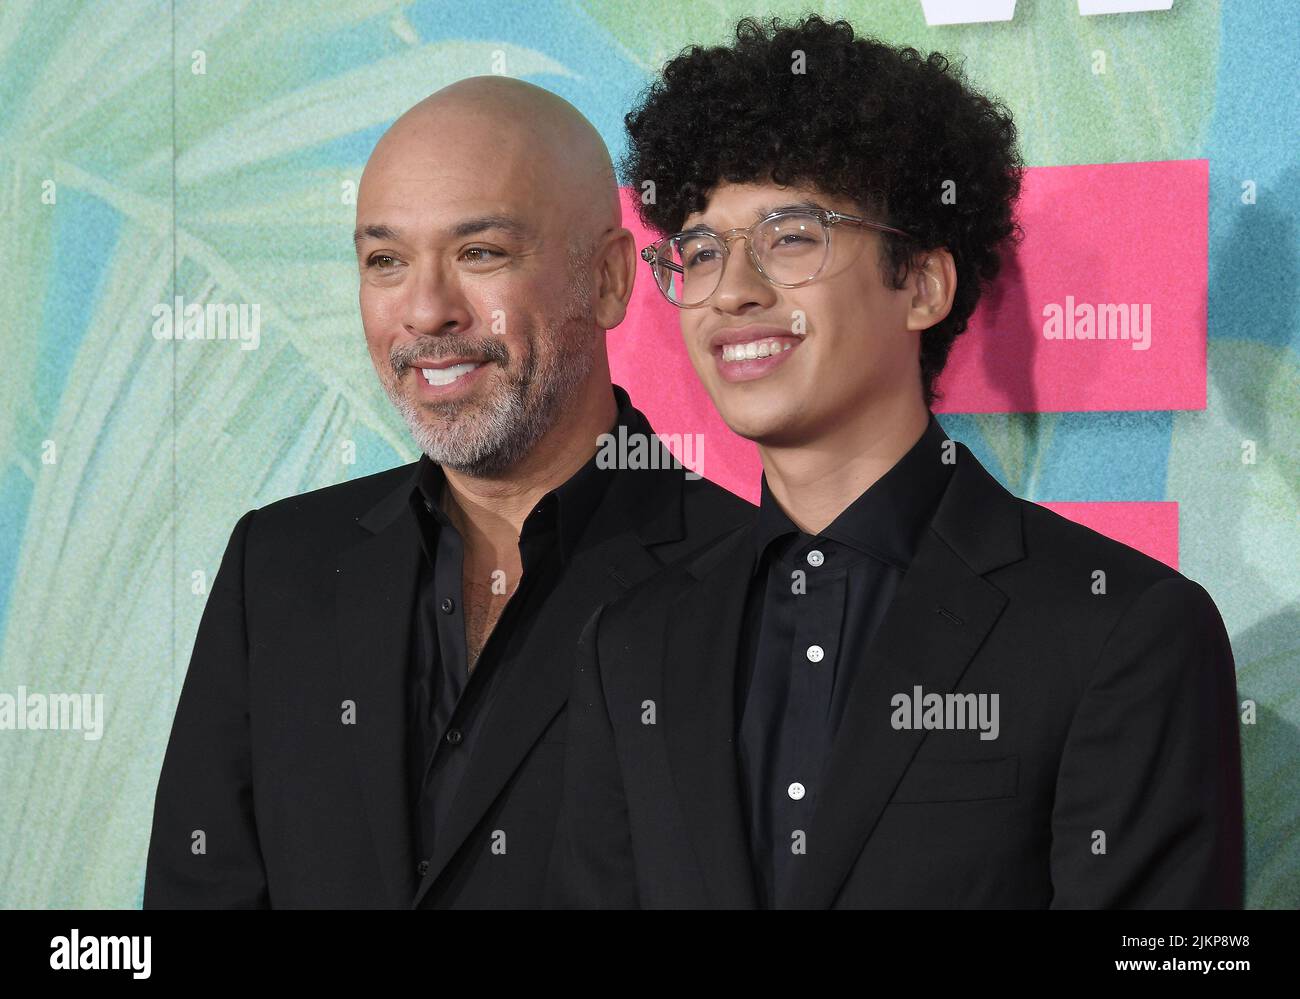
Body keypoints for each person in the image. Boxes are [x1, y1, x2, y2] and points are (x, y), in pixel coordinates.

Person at [547, 15, 1243, 908]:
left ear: (921, 284)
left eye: (792, 236)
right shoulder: (633, 646)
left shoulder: (1121, 631)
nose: (733, 289)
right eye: (702, 249)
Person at [144, 76, 754, 908]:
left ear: (610, 279)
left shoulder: (748, 585)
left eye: (481, 253)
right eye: (386, 261)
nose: (426, 311)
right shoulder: (277, 567)